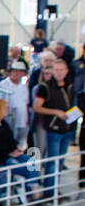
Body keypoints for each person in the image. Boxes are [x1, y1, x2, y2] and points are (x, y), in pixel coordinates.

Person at [0, 97, 42, 202]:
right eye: (5, 108)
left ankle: (32, 193)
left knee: (32, 162)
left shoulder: (4, 123)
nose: (7, 110)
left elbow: (11, 140)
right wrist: (11, 152)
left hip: (11, 154)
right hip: (1, 159)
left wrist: (16, 148)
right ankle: (34, 196)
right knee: (26, 168)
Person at [33, 56, 75, 197]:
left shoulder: (69, 86)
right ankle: (48, 191)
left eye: (61, 70)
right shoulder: (44, 87)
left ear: (66, 71)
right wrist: (56, 112)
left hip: (67, 128)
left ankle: (54, 188)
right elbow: (37, 107)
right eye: (56, 70)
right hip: (52, 129)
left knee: (60, 161)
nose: (59, 72)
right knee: (52, 161)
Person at [0, 60, 32, 146]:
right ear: (11, 71)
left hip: (23, 120)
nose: (17, 73)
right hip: (9, 119)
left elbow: (26, 104)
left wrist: (27, 119)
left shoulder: (24, 86)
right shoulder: (3, 84)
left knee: (21, 143)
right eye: (15, 71)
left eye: (20, 71)